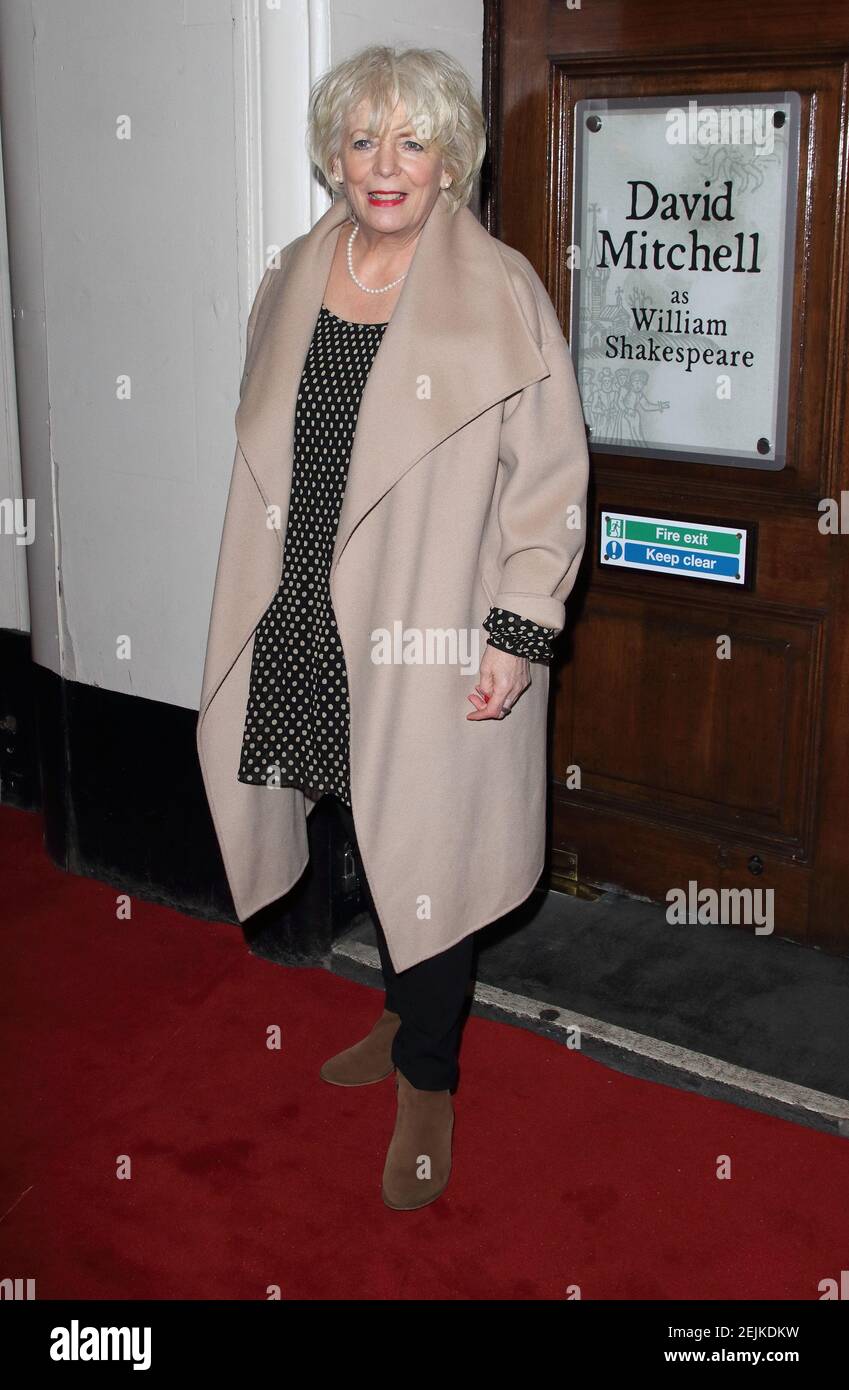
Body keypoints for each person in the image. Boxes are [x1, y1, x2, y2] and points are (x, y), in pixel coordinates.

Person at [196, 43, 589, 1211]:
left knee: (433, 835)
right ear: (333, 153)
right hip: (308, 600)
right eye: (364, 139)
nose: (385, 164)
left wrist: (519, 624)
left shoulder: (501, 289)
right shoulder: (290, 275)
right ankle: (395, 1004)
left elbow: (551, 473)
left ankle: (429, 1074)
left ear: (449, 158)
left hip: (434, 615)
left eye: (412, 140)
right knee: (356, 818)